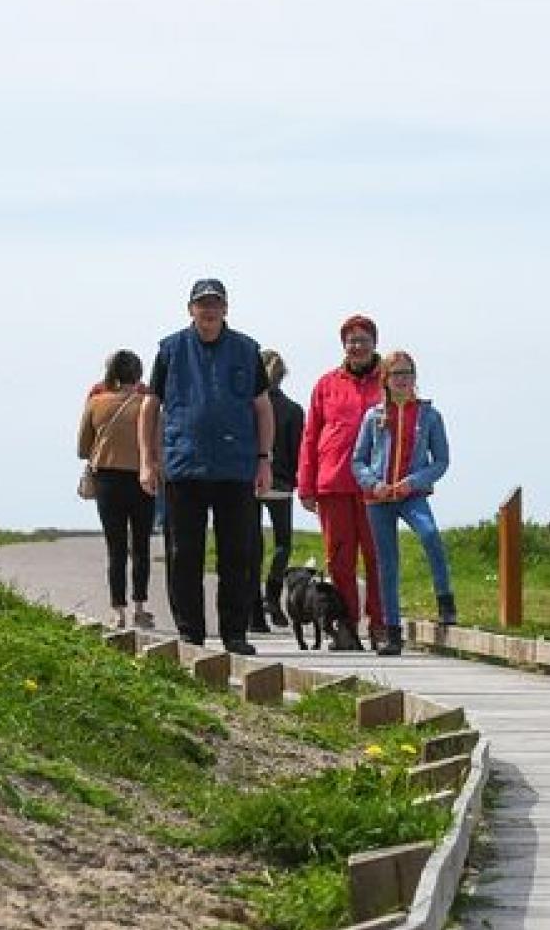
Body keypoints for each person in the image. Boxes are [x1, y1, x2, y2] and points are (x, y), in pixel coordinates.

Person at [137, 278, 271, 654]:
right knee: (183, 554)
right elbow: (150, 407)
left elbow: (263, 407)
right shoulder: (171, 349)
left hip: (236, 467)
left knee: (237, 554)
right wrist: (148, 461)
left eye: (215, 304)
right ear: (190, 309)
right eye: (202, 304)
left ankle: (234, 632)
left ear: (226, 308)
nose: (208, 310)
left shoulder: (247, 350)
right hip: (185, 466)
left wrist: (264, 459)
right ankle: (190, 633)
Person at [351, 350, 455, 657]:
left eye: (408, 373)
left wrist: (415, 481)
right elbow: (358, 460)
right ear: (385, 379)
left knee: (430, 535)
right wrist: (374, 483)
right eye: (397, 374)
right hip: (379, 499)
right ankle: (392, 632)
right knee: (387, 563)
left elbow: (442, 461)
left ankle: (445, 599)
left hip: (412, 496)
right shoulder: (373, 416)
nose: (403, 380)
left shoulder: (429, 415)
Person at [298, 315, 388, 647]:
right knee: (339, 559)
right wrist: (306, 483)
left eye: (364, 339)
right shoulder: (326, 384)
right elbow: (311, 435)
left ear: (374, 343)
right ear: (343, 345)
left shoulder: (389, 381)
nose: (357, 345)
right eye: (351, 340)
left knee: (378, 556)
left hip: (375, 486)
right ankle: (346, 625)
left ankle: (380, 625)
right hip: (333, 481)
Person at [78, 349, 156, 631]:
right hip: (143, 479)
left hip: (107, 480)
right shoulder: (148, 403)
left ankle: (118, 611)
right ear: (139, 373)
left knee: (116, 547)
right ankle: (140, 607)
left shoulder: (96, 402)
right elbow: (158, 443)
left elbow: (82, 448)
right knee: (141, 545)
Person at [251, 348, 304, 631]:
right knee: (283, 544)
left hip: (253, 480)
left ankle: (254, 606)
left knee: (253, 544)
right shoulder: (294, 410)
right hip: (282, 484)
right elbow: (299, 451)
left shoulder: (249, 406)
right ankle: (273, 595)